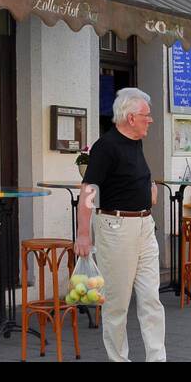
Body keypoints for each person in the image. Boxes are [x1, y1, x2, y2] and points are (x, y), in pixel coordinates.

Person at [77, 87, 165, 362]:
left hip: (144, 226)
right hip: (116, 229)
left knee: (151, 297)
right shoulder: (107, 146)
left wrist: (148, 187)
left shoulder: (136, 142)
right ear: (130, 118)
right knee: (117, 304)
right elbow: (88, 190)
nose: (150, 120)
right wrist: (83, 234)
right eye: (146, 115)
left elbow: (132, 175)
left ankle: (157, 359)